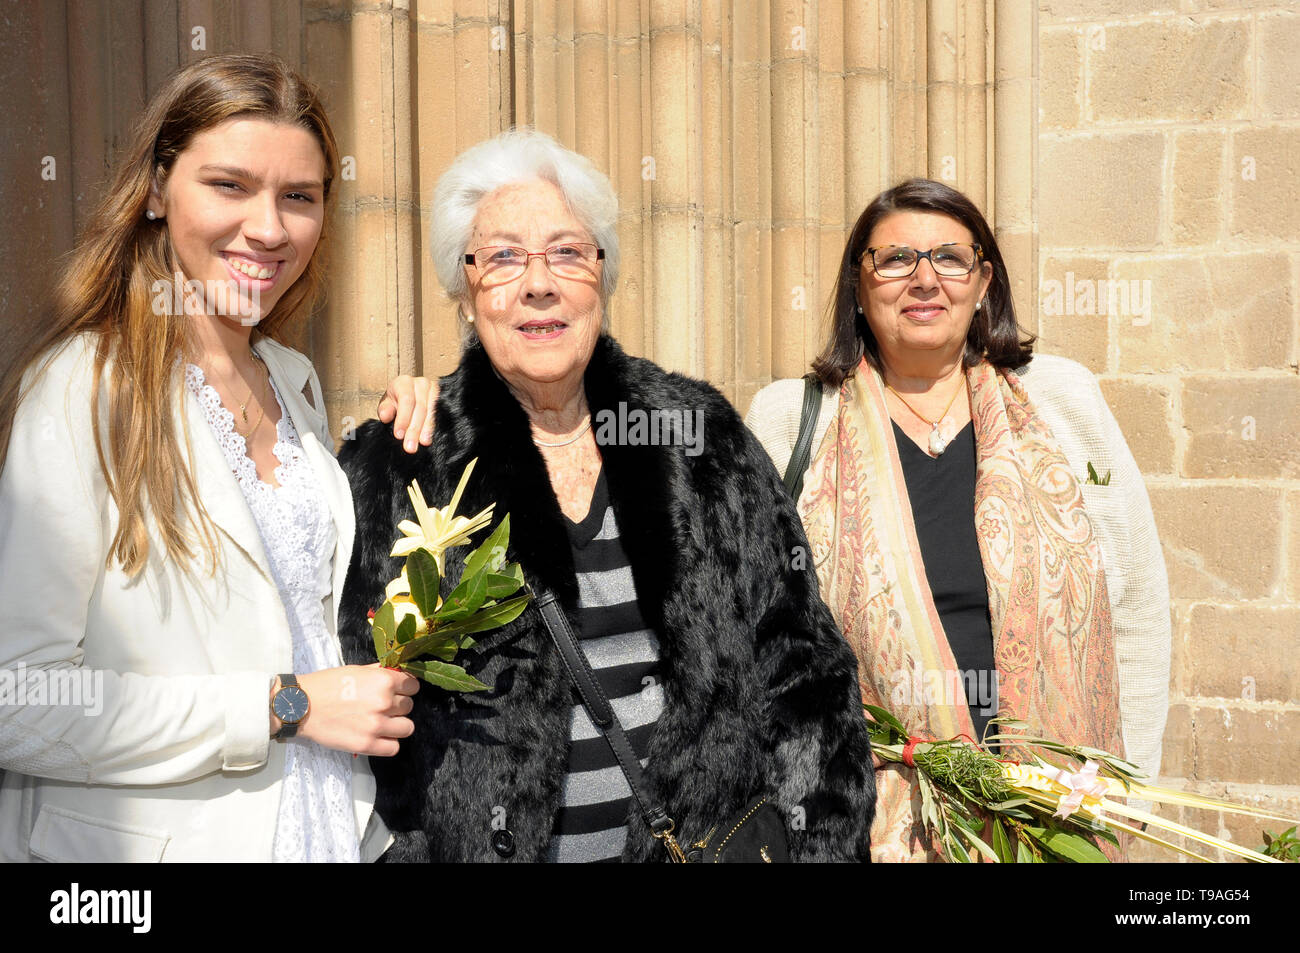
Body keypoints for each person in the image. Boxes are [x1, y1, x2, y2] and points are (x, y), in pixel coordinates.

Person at [337, 128, 874, 863]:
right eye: (502, 258)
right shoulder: (403, 461)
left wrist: (824, 849)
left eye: (566, 252)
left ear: (602, 275)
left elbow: (805, 668)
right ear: (465, 294)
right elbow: (356, 703)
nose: (538, 283)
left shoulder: (698, 435)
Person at [0, 53, 422, 862]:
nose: (268, 228)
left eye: (298, 197)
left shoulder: (292, 380)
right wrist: (283, 705)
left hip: (327, 835)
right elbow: (19, 699)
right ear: (157, 190)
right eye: (230, 185)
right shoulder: (84, 387)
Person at [745, 178, 1171, 861]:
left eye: (949, 258)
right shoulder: (789, 418)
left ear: (982, 282)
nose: (923, 279)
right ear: (859, 284)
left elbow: (1137, 606)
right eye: (894, 259)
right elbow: (749, 629)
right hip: (862, 827)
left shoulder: (1063, 403)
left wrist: (1128, 793)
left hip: (1053, 818)